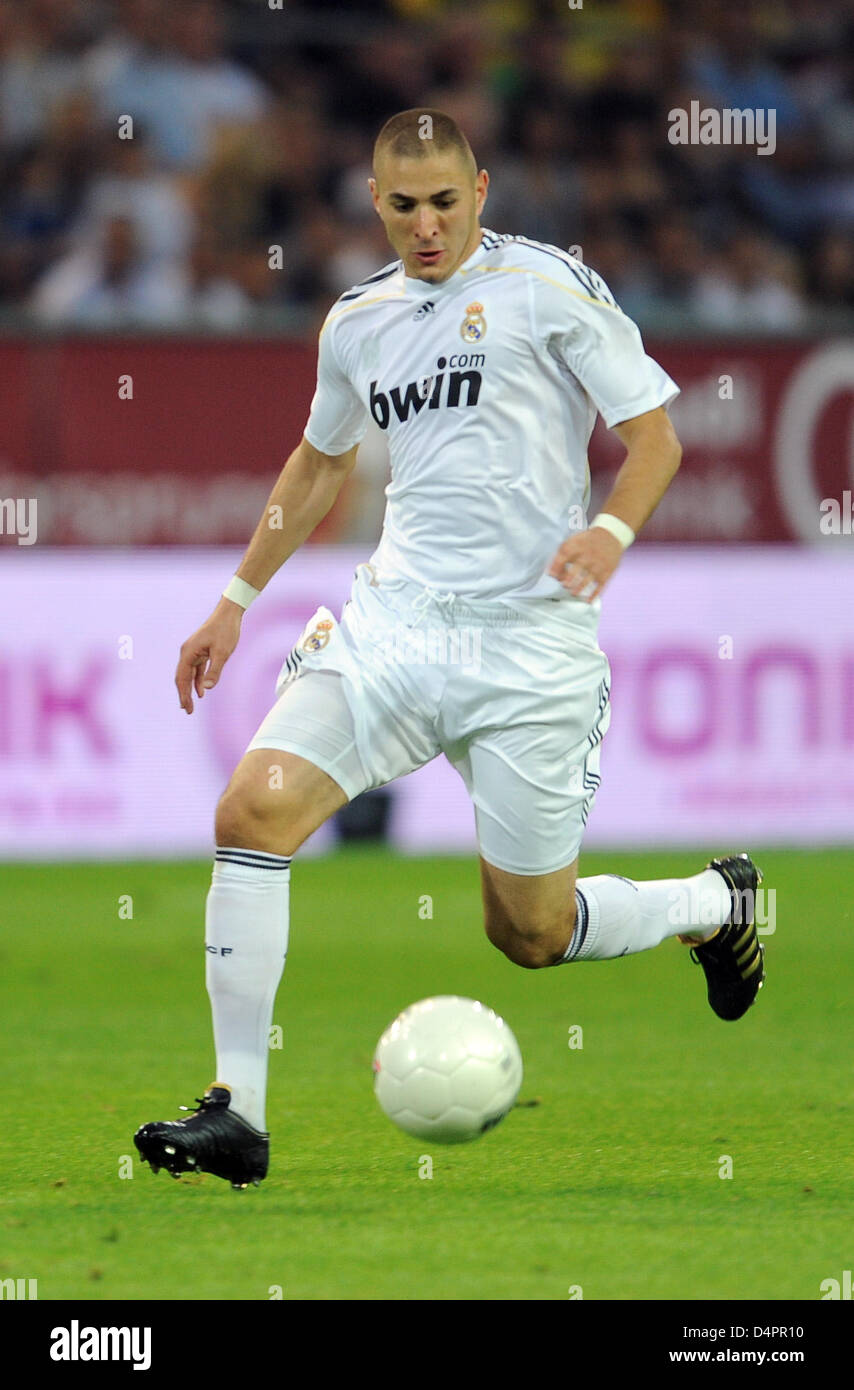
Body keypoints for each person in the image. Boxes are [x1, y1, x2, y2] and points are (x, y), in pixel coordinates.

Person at [134, 109, 765, 1190]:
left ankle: (714, 904)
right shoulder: (358, 319)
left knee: (528, 932)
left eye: (442, 201)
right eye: (401, 205)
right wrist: (237, 597)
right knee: (251, 810)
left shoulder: (549, 287)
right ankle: (237, 1110)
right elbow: (318, 462)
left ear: (479, 191)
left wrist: (607, 532)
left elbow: (653, 431)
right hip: (392, 628)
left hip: (528, 651)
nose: (424, 225)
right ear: (373, 204)